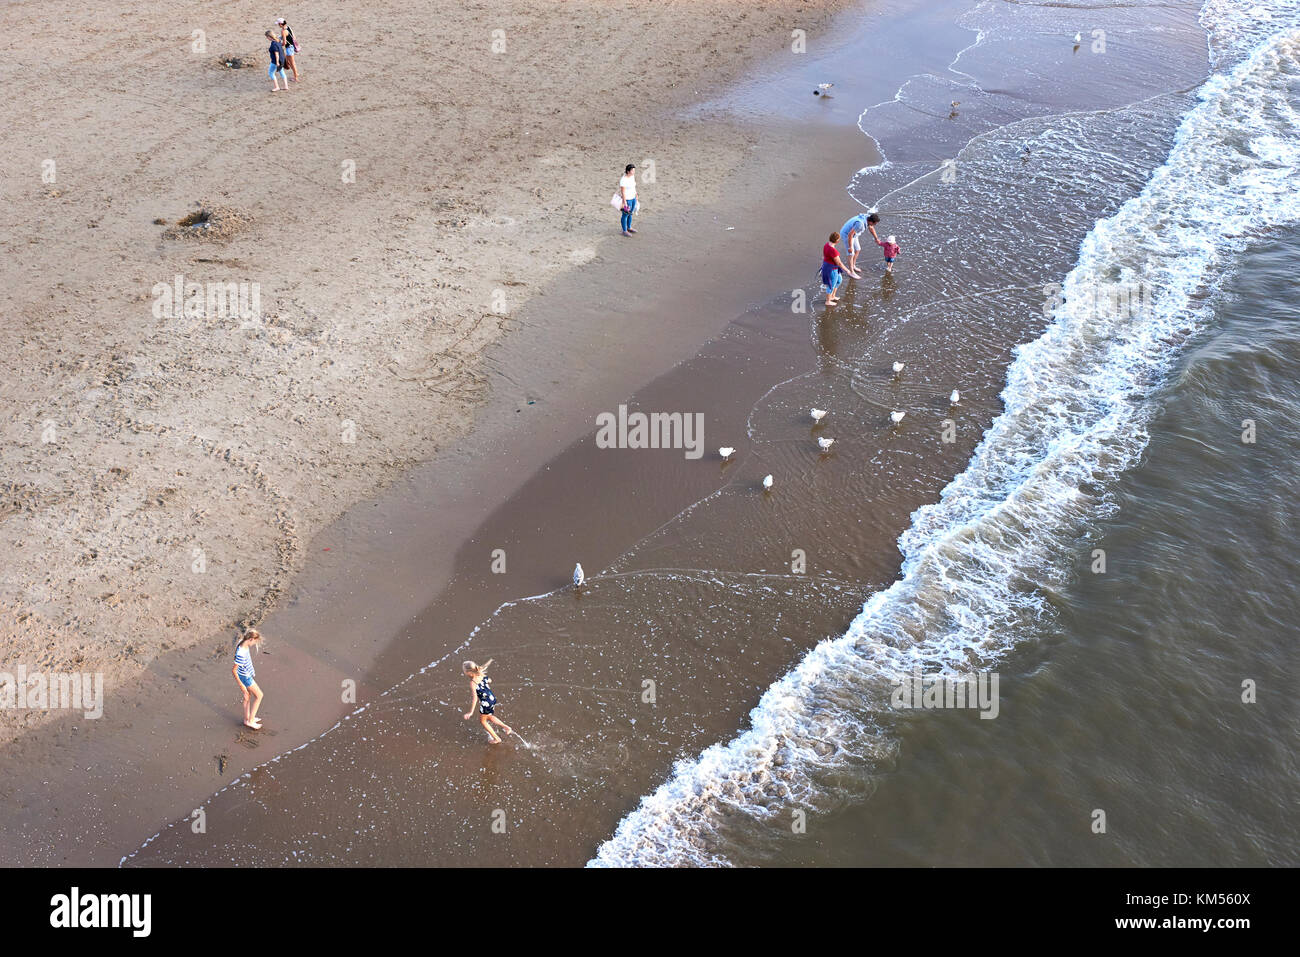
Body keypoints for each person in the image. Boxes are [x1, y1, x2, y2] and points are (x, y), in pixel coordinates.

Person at [462, 659, 514, 744]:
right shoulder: (481, 675)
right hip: (492, 698)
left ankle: (496, 738)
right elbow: (490, 680)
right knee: (489, 716)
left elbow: (475, 698)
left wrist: (470, 712)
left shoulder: (473, 682)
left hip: (486, 702)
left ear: (469, 673)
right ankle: (506, 727)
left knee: (483, 721)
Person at [232, 629, 266, 729]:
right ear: (250, 639)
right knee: (259, 695)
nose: (255, 643)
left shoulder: (243, 643)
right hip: (245, 677)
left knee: (247, 697)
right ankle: (251, 721)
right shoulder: (241, 653)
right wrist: (242, 686)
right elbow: (234, 670)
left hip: (245, 675)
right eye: (255, 641)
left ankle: (247, 719)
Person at [821, 231, 849, 305]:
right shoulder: (833, 251)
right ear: (837, 241)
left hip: (828, 266)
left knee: (839, 280)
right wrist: (847, 270)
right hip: (831, 269)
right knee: (831, 285)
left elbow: (824, 256)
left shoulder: (826, 245)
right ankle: (828, 301)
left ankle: (832, 296)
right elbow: (839, 263)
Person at [840, 213, 869, 278]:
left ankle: (853, 265)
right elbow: (850, 235)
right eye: (874, 224)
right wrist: (850, 247)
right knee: (851, 253)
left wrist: (876, 238)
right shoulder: (860, 224)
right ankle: (851, 272)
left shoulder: (867, 218)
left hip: (854, 235)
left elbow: (871, 228)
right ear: (871, 222)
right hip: (846, 234)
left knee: (858, 249)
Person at [618, 164, 638, 236]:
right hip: (628, 199)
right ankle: (624, 230)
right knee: (625, 215)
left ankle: (629, 227)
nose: (634, 172)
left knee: (631, 213)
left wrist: (636, 195)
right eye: (632, 170)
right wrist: (625, 202)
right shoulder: (623, 180)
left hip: (633, 198)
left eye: (634, 170)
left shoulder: (632, 176)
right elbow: (623, 192)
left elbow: (634, 187)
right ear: (628, 171)